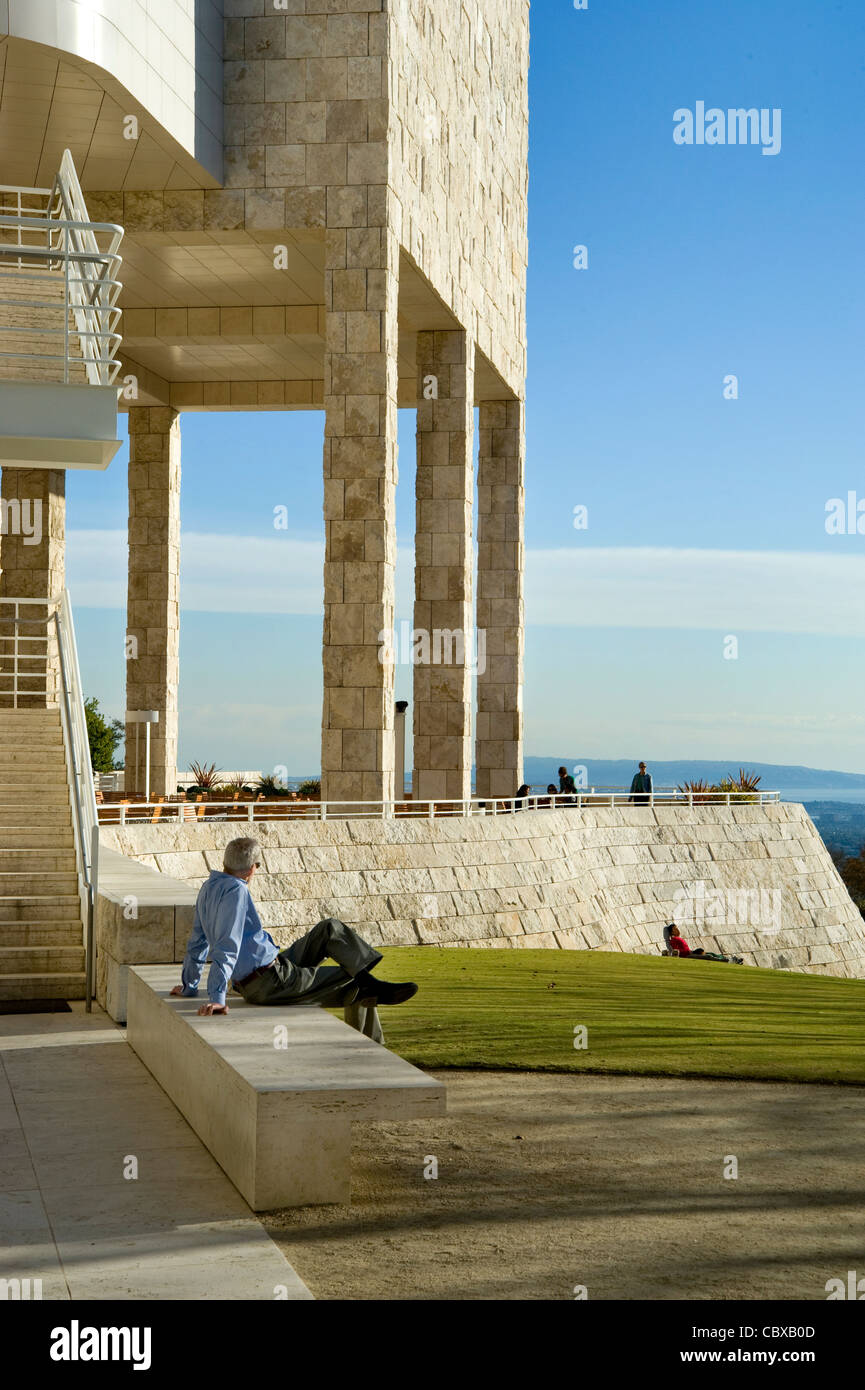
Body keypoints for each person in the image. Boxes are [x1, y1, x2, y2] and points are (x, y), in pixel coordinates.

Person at [171, 836, 418, 1015]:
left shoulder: (209, 887)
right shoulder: (237, 891)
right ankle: (373, 992)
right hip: (269, 983)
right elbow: (227, 945)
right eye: (257, 867)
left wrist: (189, 986)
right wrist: (217, 998)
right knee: (351, 979)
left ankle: (370, 982)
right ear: (250, 868)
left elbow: (197, 941)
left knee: (329, 929)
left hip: (275, 967)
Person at [666, 924, 743, 965]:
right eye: (675, 928)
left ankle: (730, 959)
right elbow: (676, 951)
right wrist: (688, 952)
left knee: (711, 953)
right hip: (686, 955)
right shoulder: (673, 940)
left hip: (690, 952)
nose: (677, 929)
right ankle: (729, 961)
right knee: (708, 956)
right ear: (671, 931)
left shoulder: (678, 938)